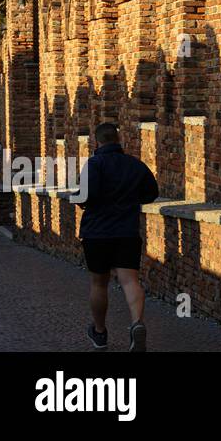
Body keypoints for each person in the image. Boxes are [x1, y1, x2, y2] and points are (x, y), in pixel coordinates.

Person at [75, 123, 159, 351]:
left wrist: (81, 200)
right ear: (118, 139)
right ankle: (136, 324)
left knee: (99, 283)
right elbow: (152, 193)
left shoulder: (94, 164)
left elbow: (85, 196)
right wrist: (130, 199)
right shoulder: (135, 165)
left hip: (97, 233)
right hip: (127, 231)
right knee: (130, 280)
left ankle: (100, 333)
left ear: (97, 141)